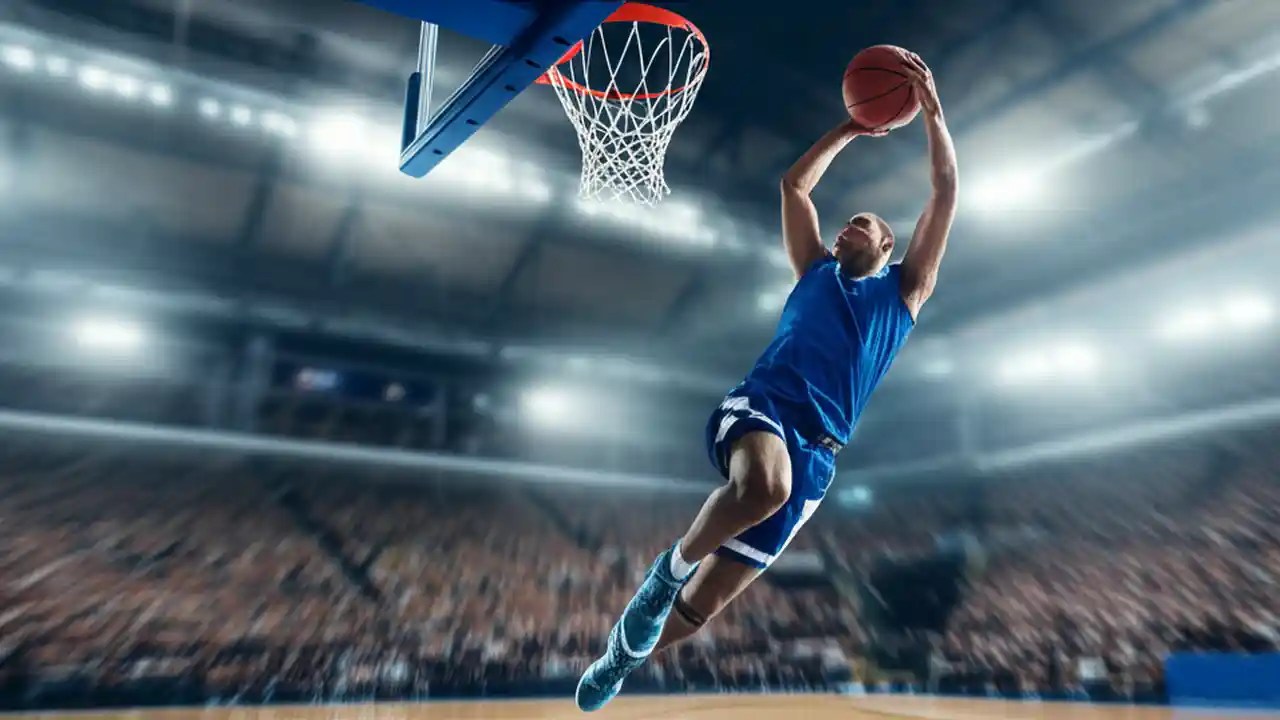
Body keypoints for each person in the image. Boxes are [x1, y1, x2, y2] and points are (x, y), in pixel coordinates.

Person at [575, 52, 959, 711]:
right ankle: (663, 575)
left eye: (860, 223)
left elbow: (945, 189)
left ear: (888, 245)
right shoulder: (812, 269)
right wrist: (851, 128)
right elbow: (794, 189)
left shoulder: (905, 294)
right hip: (762, 407)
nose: (845, 226)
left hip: (821, 457)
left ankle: (621, 659)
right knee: (762, 485)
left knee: (707, 606)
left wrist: (932, 115)